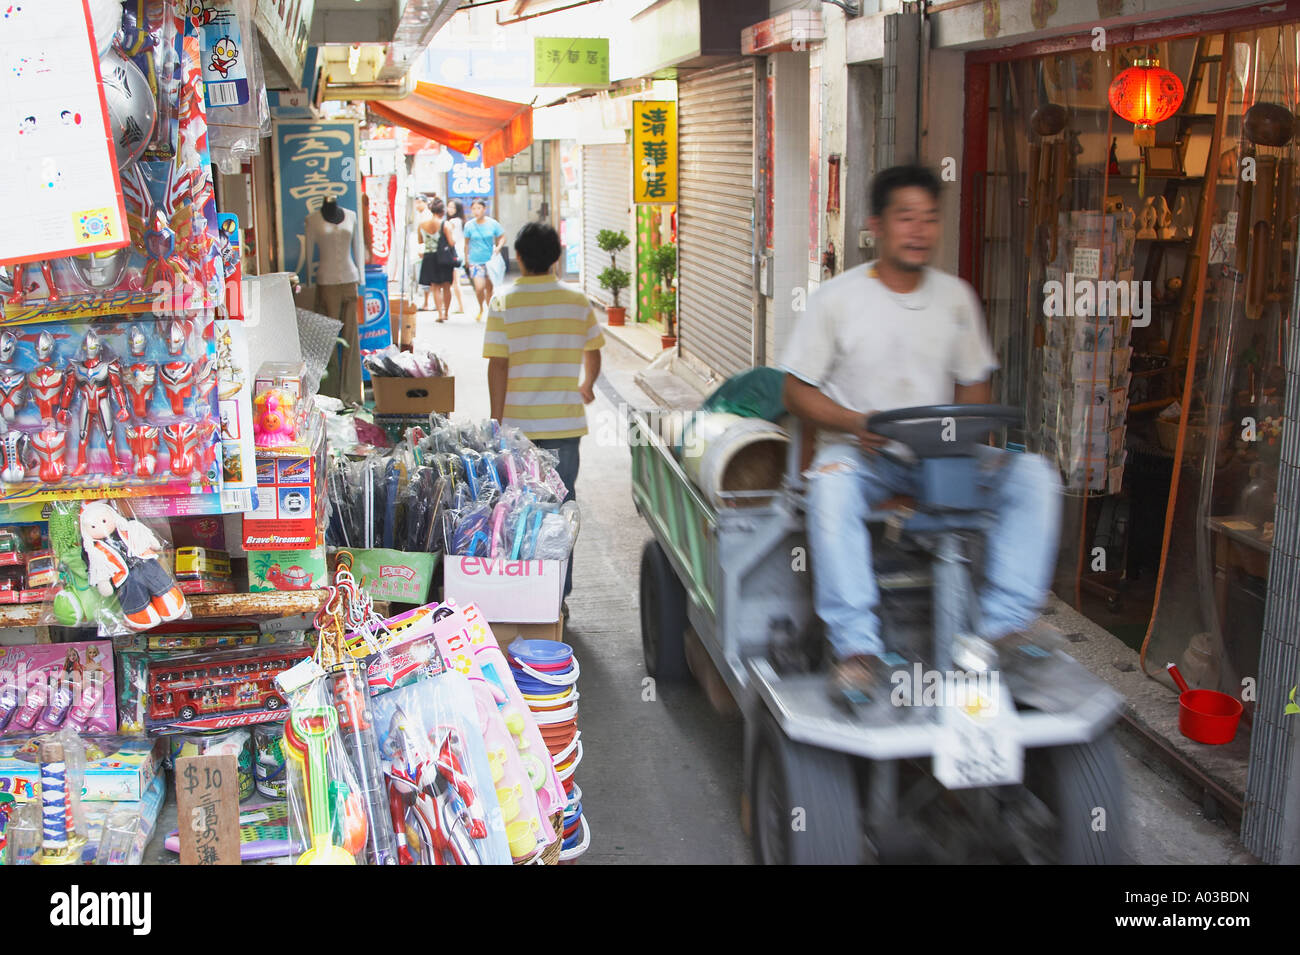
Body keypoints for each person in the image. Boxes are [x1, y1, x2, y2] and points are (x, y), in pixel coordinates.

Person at [779, 164, 1062, 702]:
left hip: (943, 462)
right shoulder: (837, 300)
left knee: (1033, 476)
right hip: (863, 458)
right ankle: (856, 649)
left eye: (930, 218)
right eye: (905, 217)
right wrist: (855, 423)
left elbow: (975, 384)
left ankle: (1006, 625)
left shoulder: (956, 298)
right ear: (876, 226)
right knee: (831, 487)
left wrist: (961, 443)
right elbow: (796, 393)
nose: (919, 230)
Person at [483, 223, 603, 609]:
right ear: (556, 257)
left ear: (518, 257)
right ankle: (557, 596)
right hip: (565, 426)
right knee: (560, 510)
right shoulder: (577, 301)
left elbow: (498, 366)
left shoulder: (503, 301)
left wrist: (496, 422)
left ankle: (524, 591)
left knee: (519, 509)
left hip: (519, 430)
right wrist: (588, 385)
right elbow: (594, 351)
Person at [464, 198, 506, 322]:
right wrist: (466, 257)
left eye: (479, 208)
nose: (476, 211)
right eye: (474, 209)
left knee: (490, 288)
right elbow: (466, 243)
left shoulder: (492, 223)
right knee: (479, 287)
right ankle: (480, 307)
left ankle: (490, 312)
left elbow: (502, 236)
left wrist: (498, 247)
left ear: (484, 209)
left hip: (490, 261)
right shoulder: (469, 225)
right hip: (475, 260)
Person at [423, 198, 458, 324]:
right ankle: (446, 313)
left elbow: (420, 241)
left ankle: (439, 313)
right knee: (446, 286)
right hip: (443, 258)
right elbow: (451, 242)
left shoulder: (423, 224)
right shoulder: (445, 224)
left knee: (435, 287)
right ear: (442, 211)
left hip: (429, 257)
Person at [445, 199, 468, 315]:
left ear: (457, 210)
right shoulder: (461, 221)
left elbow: (450, 238)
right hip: (459, 254)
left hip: (454, 254)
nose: (449, 209)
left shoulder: (453, 221)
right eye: (449, 207)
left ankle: (461, 306)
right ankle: (460, 306)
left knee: (455, 282)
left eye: (452, 208)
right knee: (455, 282)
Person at [414, 195, 437, 311]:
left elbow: (423, 237)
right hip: (426, 250)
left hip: (429, 251)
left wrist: (422, 248)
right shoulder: (421, 216)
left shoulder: (427, 216)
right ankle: (428, 302)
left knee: (430, 279)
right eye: (416, 202)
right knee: (428, 279)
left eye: (419, 202)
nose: (417, 205)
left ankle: (431, 303)